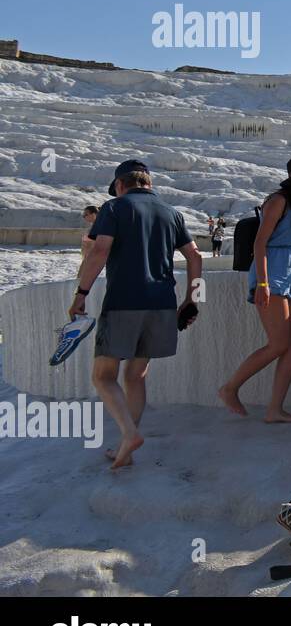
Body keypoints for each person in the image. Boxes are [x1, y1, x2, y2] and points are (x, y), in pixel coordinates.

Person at [68, 160, 203, 469]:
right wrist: (191, 300)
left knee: (103, 376)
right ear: (149, 183)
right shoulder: (172, 213)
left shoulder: (113, 209)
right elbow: (195, 256)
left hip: (124, 302)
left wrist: (81, 295)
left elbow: (100, 251)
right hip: (162, 303)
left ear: (120, 185)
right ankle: (125, 445)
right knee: (136, 376)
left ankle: (129, 434)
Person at [218, 153, 291, 424]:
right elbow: (260, 243)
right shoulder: (278, 201)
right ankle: (229, 388)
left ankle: (275, 409)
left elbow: (284, 240)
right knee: (279, 343)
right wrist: (264, 283)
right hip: (271, 272)